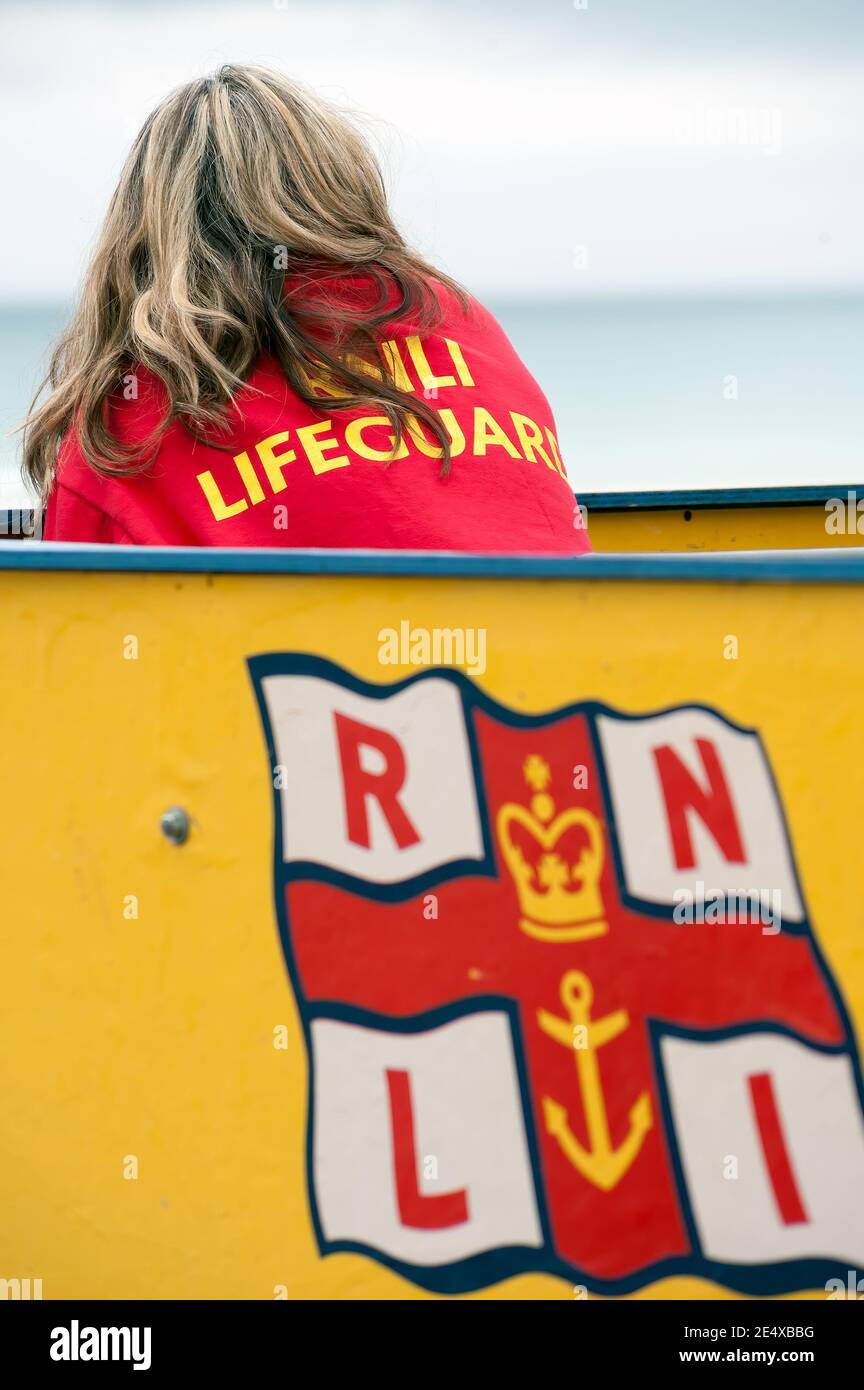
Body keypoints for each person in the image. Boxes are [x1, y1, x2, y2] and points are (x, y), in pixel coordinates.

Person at [25, 65, 590, 554]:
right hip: (583, 670)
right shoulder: (460, 320)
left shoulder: (124, 430)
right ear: (340, 184)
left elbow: (78, 637)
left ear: (145, 233)